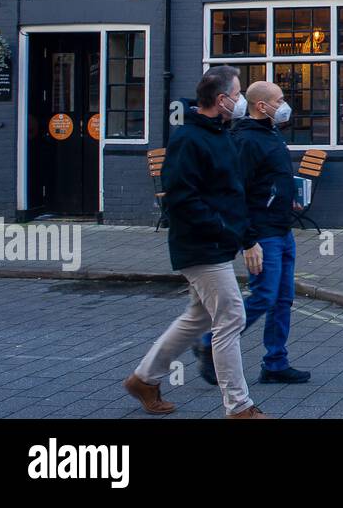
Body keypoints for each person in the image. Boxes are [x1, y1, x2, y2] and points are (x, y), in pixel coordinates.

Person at [123, 66, 269, 419]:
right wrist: (225, 231)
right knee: (231, 318)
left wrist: (247, 237)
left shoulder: (222, 134)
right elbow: (181, 199)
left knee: (199, 317)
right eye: (237, 95)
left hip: (216, 243)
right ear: (221, 100)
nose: (241, 101)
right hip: (201, 247)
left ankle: (144, 379)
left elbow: (233, 194)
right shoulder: (189, 140)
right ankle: (239, 407)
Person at [193, 80, 310, 386]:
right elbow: (237, 191)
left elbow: (270, 179)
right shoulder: (246, 141)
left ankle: (275, 362)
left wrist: (288, 198)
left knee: (283, 298)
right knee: (264, 295)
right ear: (262, 105)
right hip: (263, 233)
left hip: (283, 228)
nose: (285, 105)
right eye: (280, 99)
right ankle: (209, 342)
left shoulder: (272, 132)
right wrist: (249, 241)